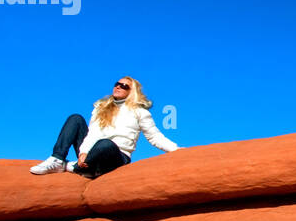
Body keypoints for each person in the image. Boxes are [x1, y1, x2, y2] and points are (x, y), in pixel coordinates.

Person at [30, 76, 184, 178]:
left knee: (106, 144)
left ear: (132, 92)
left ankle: (77, 168)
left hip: (115, 156)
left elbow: (154, 136)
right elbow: (93, 133)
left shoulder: (140, 112)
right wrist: (83, 152)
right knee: (75, 119)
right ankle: (57, 160)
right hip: (91, 153)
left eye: (123, 86)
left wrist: (176, 150)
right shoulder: (101, 107)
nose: (118, 87)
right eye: (116, 84)